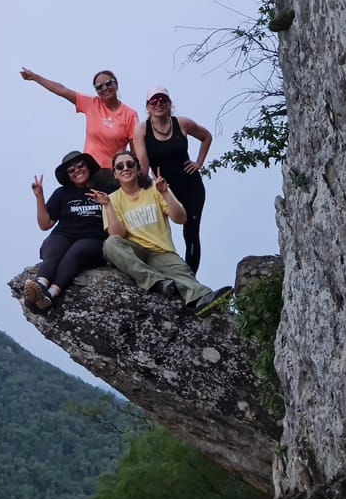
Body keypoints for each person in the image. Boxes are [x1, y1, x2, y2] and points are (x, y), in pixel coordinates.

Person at [87, 151, 232, 317]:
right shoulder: (111, 199)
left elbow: (181, 218)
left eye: (130, 164)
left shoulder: (154, 190)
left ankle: (204, 299)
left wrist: (165, 192)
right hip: (135, 252)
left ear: (138, 169)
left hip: (161, 252)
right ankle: (156, 282)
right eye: (119, 166)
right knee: (111, 244)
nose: (125, 168)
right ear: (115, 174)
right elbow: (117, 235)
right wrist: (108, 206)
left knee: (185, 278)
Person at [133, 86, 212, 274]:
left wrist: (199, 162)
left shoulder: (182, 123)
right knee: (156, 231)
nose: (158, 103)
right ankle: (164, 272)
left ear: (169, 104)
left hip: (191, 186)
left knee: (191, 232)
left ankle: (190, 279)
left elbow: (206, 136)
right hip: (163, 188)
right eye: (154, 101)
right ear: (148, 107)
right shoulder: (142, 129)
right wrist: (136, 189)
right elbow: (143, 164)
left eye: (162, 100)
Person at [23, 151, 110, 311]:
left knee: (76, 252)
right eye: (71, 170)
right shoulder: (62, 193)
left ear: (87, 166)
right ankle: (40, 286)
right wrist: (39, 197)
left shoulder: (105, 189)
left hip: (93, 238)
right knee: (53, 249)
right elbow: (45, 224)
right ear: (67, 175)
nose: (77, 170)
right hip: (64, 234)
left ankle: (51, 294)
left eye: (80, 165)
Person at [19, 68, 139, 182]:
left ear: (116, 85)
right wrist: (35, 77)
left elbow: (136, 153)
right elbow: (62, 90)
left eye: (108, 83)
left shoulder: (130, 115)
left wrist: (139, 177)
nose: (104, 88)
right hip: (89, 172)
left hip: (112, 174)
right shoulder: (92, 104)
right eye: (99, 87)